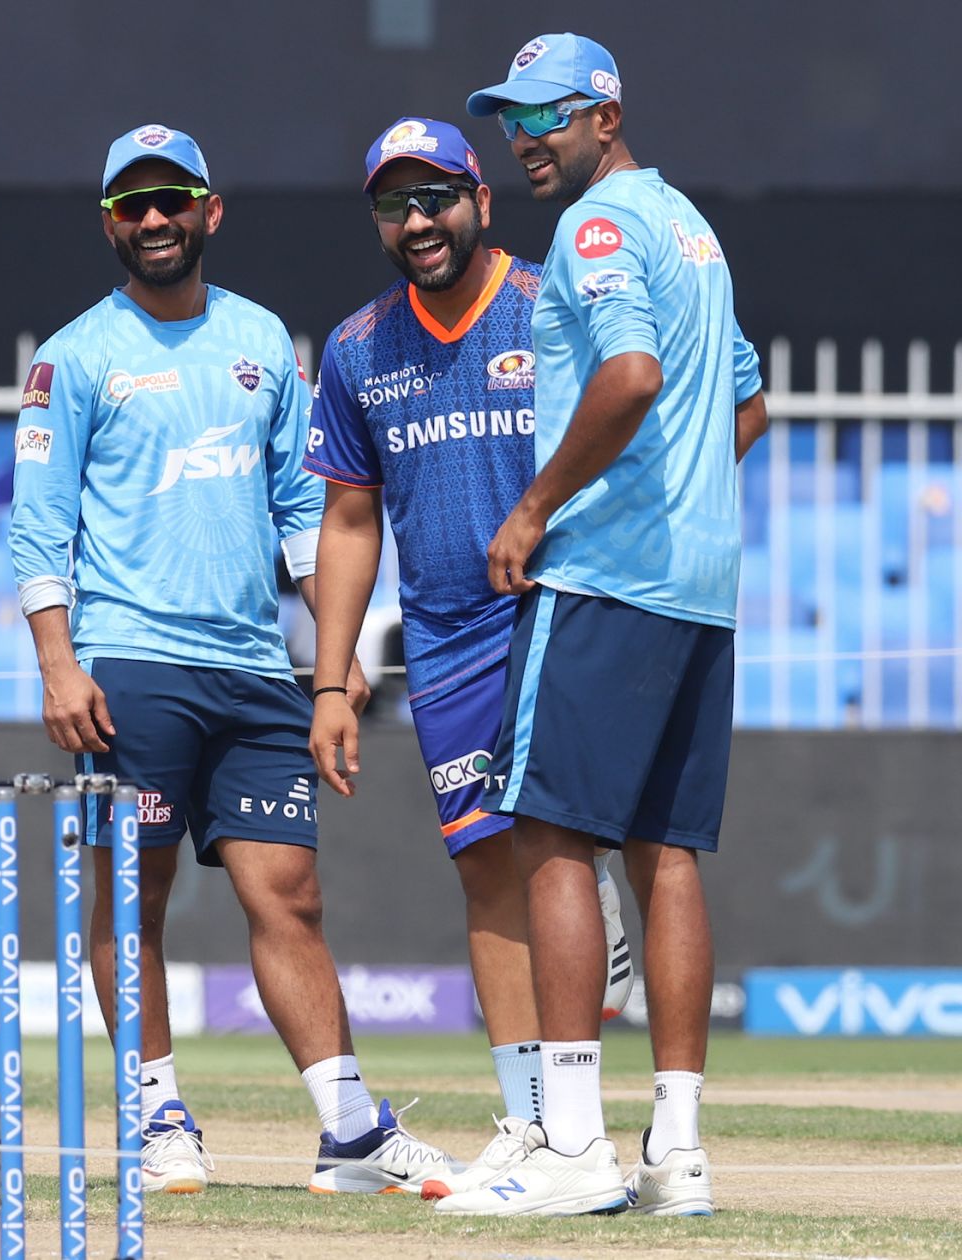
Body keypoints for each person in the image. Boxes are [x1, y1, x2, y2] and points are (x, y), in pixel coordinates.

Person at [8, 123, 460, 1196]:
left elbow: (308, 513)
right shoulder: (72, 357)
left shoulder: (263, 340)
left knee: (291, 896)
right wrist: (58, 663)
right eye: (133, 205)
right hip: (133, 664)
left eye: (173, 200)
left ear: (212, 210)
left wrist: (334, 672)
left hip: (257, 670)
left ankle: (349, 1132)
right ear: (110, 222)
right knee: (135, 901)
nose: (154, 220)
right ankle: (161, 1116)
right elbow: (39, 522)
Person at [431, 36, 769, 1218]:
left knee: (549, 838)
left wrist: (537, 510)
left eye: (547, 117)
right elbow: (748, 403)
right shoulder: (694, 230)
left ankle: (570, 1145)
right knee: (664, 854)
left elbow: (626, 378)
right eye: (513, 118)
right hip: (699, 584)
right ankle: (676, 1151)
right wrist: (677, 497)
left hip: (608, 579)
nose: (526, 137)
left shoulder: (599, 227)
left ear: (605, 115)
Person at [304, 116, 634, 1197]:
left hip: (550, 622)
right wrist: (333, 678)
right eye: (396, 205)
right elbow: (350, 524)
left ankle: (582, 1130)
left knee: (544, 859)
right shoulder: (357, 348)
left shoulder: (550, 308)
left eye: (436, 197)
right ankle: (533, 1124)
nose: (418, 222)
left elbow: (642, 425)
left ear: (481, 200)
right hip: (440, 642)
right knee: (485, 875)